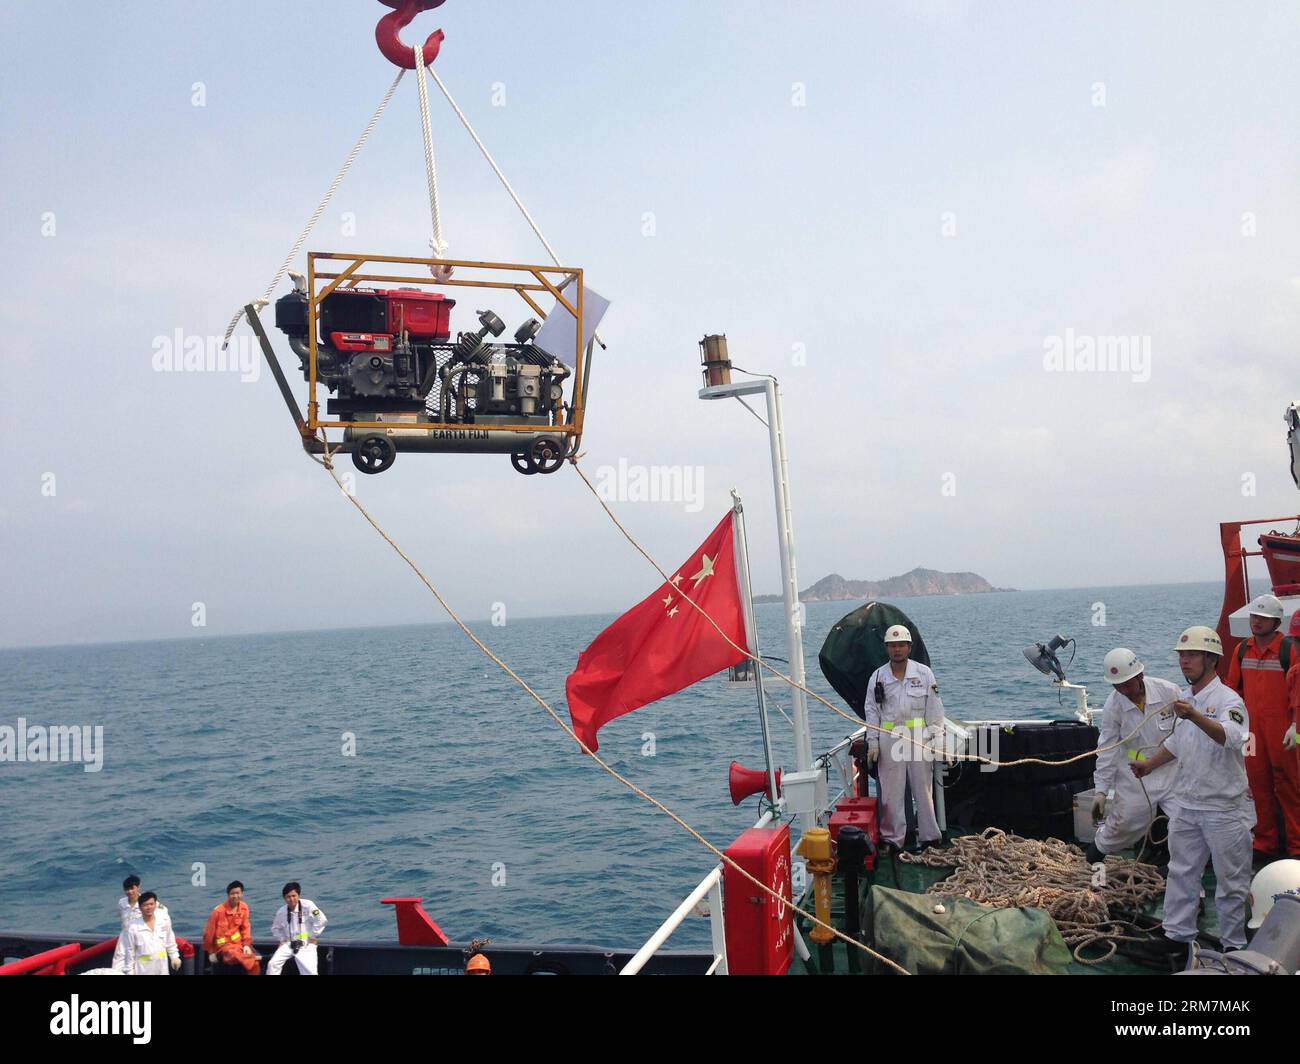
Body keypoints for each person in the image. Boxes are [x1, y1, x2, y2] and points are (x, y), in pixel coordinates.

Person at [1131, 626, 1255, 955]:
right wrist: (1149, 765)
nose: (1184, 661)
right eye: (1182, 655)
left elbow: (1230, 737)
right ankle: (1177, 936)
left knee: (1231, 882)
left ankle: (1233, 947)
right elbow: (1176, 743)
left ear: (1212, 660)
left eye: (1192, 655)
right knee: (1182, 872)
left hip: (1223, 808)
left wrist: (1196, 716)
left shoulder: (1229, 700)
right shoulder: (1188, 701)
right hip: (1187, 803)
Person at [1086, 648, 1181, 864]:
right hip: (1136, 773)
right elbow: (1108, 749)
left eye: (1127, 684)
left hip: (1172, 770)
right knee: (1123, 823)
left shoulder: (1169, 692)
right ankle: (1095, 856)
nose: (1123, 690)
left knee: (1186, 827)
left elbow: (1188, 732)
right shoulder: (1114, 705)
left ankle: (1186, 885)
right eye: (1117, 685)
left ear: (1140, 676)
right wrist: (1101, 791)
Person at [1225, 593, 1300, 862]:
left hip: (1283, 733)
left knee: (1290, 787)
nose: (1256, 622)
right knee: (1258, 787)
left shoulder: (1288, 649)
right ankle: (1266, 842)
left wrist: (1295, 726)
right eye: (1254, 616)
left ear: (1276, 621)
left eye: (1263, 618)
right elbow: (1232, 691)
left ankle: (1296, 847)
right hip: (1253, 734)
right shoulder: (1242, 650)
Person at [863, 624, 945, 854]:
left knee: (923, 789)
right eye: (892, 645)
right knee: (891, 792)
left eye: (901, 645)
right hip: (890, 738)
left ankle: (930, 837)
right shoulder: (877, 676)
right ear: (887, 648)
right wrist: (873, 741)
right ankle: (892, 839)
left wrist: (937, 736)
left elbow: (935, 708)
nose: (897, 649)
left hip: (919, 738)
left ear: (909, 647)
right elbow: (871, 710)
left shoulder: (924, 673)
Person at [113, 892, 180, 975]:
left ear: (155, 905)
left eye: (151, 904)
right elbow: (130, 952)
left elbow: (170, 940)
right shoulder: (133, 927)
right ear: (140, 907)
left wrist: (174, 957)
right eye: (145, 905)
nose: (149, 907)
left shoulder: (164, 921)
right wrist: (130, 971)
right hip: (143, 969)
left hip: (161, 966)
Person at [267, 882, 327, 976]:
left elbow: (321, 920)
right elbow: (275, 929)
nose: (291, 899)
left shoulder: (308, 905)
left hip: (306, 942)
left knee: (310, 972)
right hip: (289, 943)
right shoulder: (281, 912)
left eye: (294, 896)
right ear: (284, 898)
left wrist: (313, 936)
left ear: (299, 895)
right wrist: (282, 940)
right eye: (288, 897)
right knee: (272, 964)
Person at [203, 880, 260, 975]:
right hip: (222, 948)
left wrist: (246, 944)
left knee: (255, 965)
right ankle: (257, 957)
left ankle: (253, 959)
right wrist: (211, 952)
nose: (235, 896)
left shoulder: (244, 907)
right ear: (228, 895)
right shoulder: (218, 912)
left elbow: (246, 927)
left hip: (239, 945)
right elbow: (209, 934)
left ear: (242, 894)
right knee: (234, 954)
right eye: (232, 893)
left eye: (238, 893)